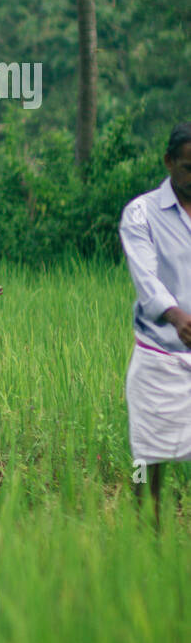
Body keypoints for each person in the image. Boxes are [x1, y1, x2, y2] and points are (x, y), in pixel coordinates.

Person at [120, 123, 191, 526]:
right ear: (168, 163)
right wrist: (177, 315)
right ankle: (149, 539)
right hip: (160, 354)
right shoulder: (142, 213)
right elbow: (147, 278)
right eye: (188, 168)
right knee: (150, 455)